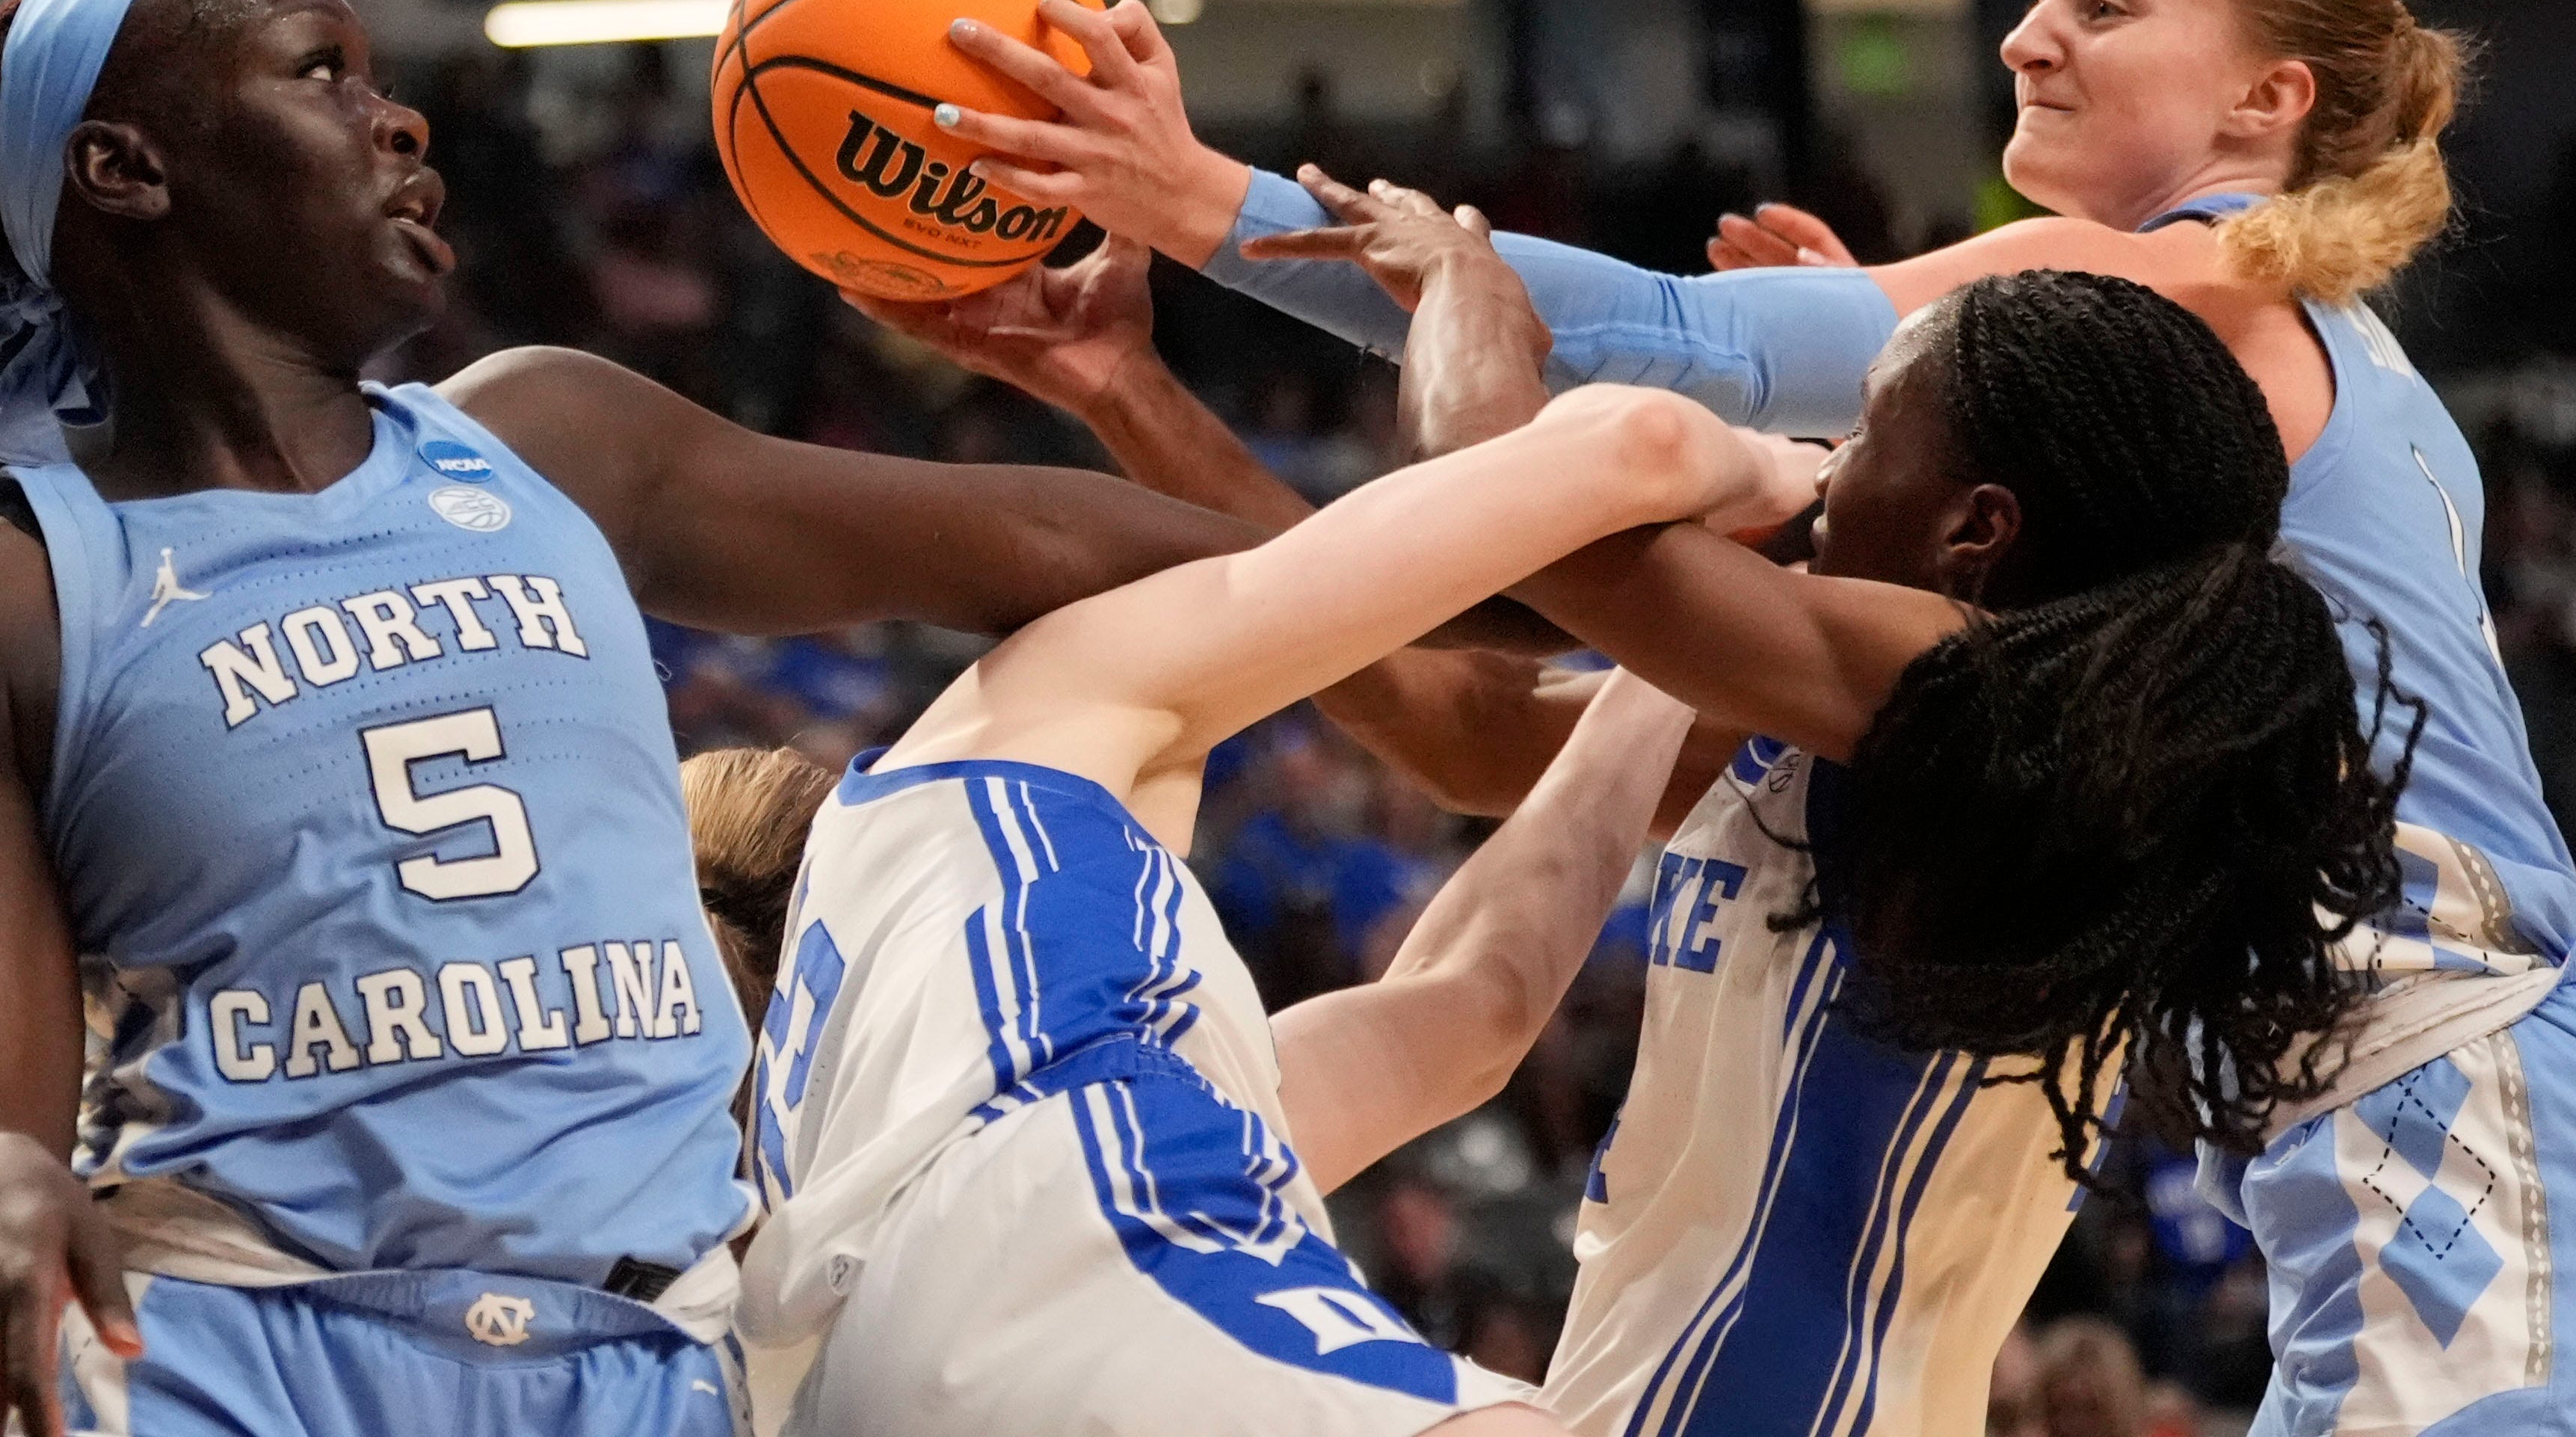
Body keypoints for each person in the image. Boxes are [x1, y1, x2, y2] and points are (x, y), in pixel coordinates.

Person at [923, 0, 2576, 1433]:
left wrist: (1193, 201)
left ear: (2265, 102)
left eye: (2101, 5)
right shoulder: (2045, 593)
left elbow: (1651, 353)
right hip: (2440, 1117)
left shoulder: (2191, 298)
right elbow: (1459, 721)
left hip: (2482, 1100)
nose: (2028, 37)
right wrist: (1139, 389)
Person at [0, 0, 1405, 1437]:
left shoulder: (545, 443)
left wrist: (1508, 563)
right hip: (240, 1345)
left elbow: (1052, 538)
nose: (400, 114)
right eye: (320, 72)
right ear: (127, 167)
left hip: (649, 1354)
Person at [863, 241, 2407, 1436]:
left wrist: (1468, 284)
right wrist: (1125, 387)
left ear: (1974, 532)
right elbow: (1440, 716)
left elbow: (1496, 455)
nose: (1823, 466)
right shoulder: (1845, 719)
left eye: (1866, 433)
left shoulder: (1975, 704)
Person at [691, 363, 1773, 1433]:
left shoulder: (859, 1133)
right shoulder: (958, 770)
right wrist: (1785, 470)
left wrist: (1655, 683)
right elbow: (1643, 447)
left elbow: (1471, 1008)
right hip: (1105, 1268)